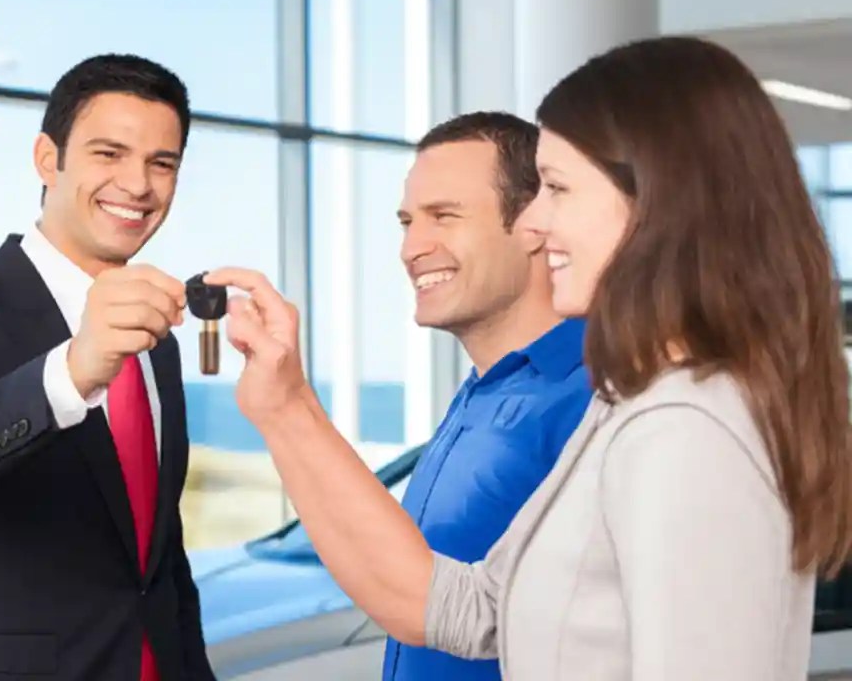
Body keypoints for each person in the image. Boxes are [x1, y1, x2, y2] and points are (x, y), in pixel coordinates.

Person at [205, 35, 852, 679]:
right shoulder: (630, 409)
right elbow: (470, 610)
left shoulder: (687, 429)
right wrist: (283, 406)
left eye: (558, 189)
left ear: (654, 205)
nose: (535, 224)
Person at [0, 53, 215, 681]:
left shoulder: (155, 335)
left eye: (161, 164)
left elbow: (159, 553)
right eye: (109, 154)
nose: (138, 185)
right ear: (47, 160)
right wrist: (70, 371)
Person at [381, 112, 592, 681]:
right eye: (406, 222)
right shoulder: (480, 391)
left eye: (443, 217)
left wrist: (287, 406)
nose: (411, 248)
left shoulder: (596, 397)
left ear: (535, 223)